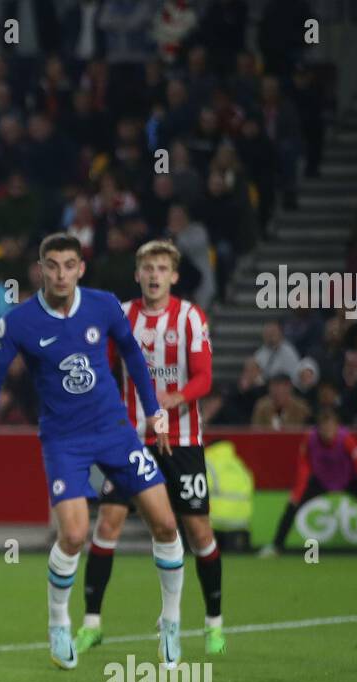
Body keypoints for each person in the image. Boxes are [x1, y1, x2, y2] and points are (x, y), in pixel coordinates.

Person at [0, 232, 189, 668]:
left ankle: (170, 621)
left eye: (69, 265)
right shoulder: (19, 322)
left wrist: (153, 413)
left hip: (116, 431)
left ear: (81, 269)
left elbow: (132, 356)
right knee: (73, 534)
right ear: (41, 268)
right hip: (64, 440)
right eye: (52, 265)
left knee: (166, 524)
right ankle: (59, 623)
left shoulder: (104, 305)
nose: (61, 274)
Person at [84, 240, 225, 656]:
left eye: (162, 268)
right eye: (147, 268)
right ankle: (91, 622)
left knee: (198, 530)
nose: (154, 275)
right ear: (137, 274)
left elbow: (204, 377)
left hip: (181, 439)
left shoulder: (190, 318)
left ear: (174, 276)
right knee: (107, 522)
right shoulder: (122, 316)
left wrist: (172, 400)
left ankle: (214, 623)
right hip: (130, 440)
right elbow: (103, 367)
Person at [261, 408, 357, 556]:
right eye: (324, 428)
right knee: (292, 506)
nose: (328, 432)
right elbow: (303, 467)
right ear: (318, 428)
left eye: (331, 428)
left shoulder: (347, 439)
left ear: (337, 427)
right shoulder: (310, 439)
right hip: (321, 480)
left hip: (349, 480)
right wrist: (297, 494)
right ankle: (276, 547)